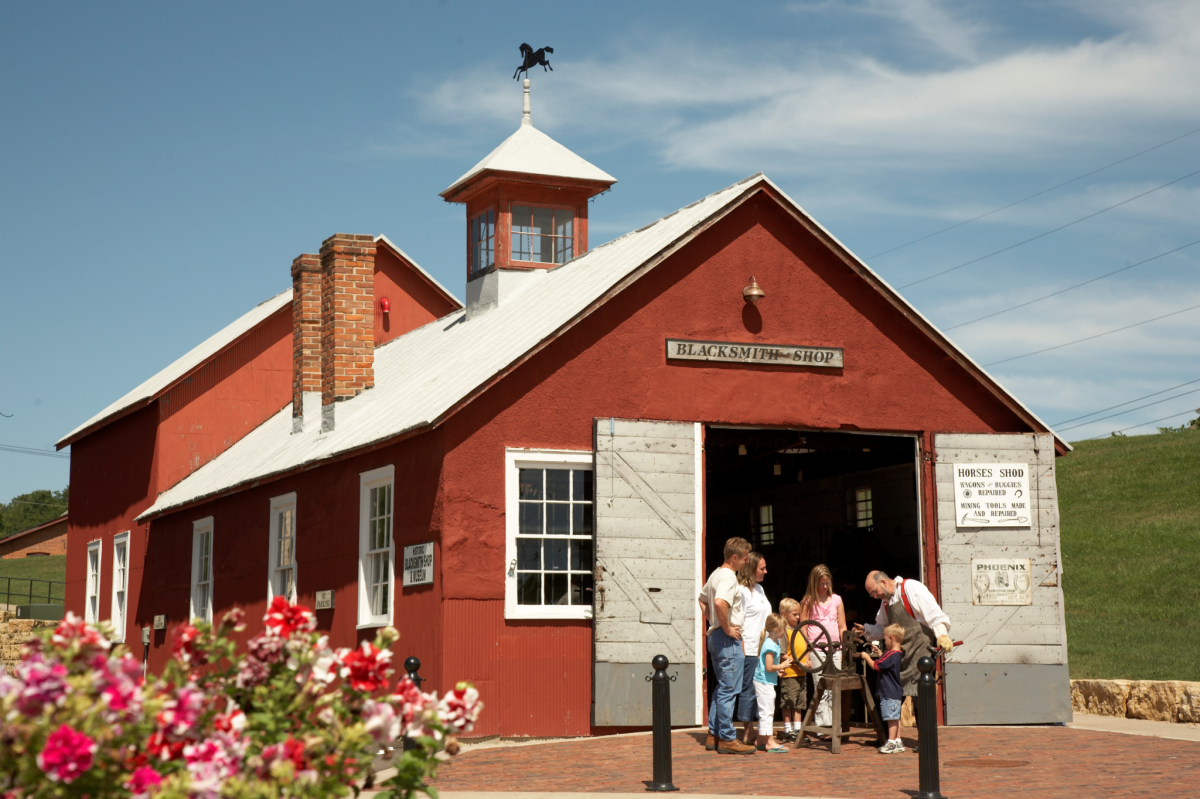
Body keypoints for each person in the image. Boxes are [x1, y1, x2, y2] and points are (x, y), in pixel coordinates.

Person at [853, 570, 953, 701]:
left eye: (874, 592)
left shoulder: (911, 588)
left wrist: (942, 636)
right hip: (903, 657)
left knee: (920, 697)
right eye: (871, 594)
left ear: (883, 582)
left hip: (921, 654)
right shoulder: (886, 602)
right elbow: (884, 629)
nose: (874, 596)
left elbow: (935, 616)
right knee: (900, 699)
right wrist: (866, 630)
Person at [698, 537, 755, 754]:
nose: (746, 562)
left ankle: (714, 734)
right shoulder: (729, 577)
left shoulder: (715, 574)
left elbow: (702, 599)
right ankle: (727, 738)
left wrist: (714, 621)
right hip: (725, 638)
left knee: (722, 687)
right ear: (734, 557)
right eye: (745, 558)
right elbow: (719, 602)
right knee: (729, 689)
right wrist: (728, 627)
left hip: (715, 636)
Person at [799, 564, 846, 735]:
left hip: (835, 649)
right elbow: (803, 628)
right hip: (816, 648)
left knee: (835, 686)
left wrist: (843, 650)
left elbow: (842, 626)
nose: (825, 587)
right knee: (821, 685)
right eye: (821, 584)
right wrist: (805, 654)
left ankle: (835, 723)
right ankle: (822, 726)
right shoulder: (807, 601)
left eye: (827, 583)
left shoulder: (837, 600)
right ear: (814, 583)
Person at [734, 552, 771, 745]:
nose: (765, 571)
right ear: (751, 569)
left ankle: (758, 729)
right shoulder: (741, 591)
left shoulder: (759, 589)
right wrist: (741, 649)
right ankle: (747, 730)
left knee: (762, 690)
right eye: (762, 568)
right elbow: (738, 621)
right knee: (748, 689)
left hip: (763, 648)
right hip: (748, 648)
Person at [861, 623, 906, 754]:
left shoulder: (891, 654)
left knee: (891, 718)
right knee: (896, 717)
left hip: (889, 691)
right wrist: (880, 653)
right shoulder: (897, 654)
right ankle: (898, 741)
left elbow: (876, 666)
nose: (884, 642)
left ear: (891, 638)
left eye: (885, 639)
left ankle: (890, 742)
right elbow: (886, 662)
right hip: (895, 691)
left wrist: (866, 657)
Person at [751, 613, 793, 752]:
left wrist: (778, 671)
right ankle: (769, 742)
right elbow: (769, 667)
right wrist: (782, 666)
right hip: (764, 683)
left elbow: (768, 667)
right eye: (783, 628)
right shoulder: (770, 644)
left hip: (766, 681)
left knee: (765, 711)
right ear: (776, 629)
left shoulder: (773, 643)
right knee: (767, 712)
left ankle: (760, 739)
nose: (785, 631)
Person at [777, 598, 805, 742]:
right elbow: (782, 654)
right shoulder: (784, 632)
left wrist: (808, 661)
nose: (798, 617)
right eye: (794, 614)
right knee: (789, 702)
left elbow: (805, 650)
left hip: (802, 672)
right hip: (790, 673)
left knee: (800, 703)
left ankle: (798, 728)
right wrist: (794, 662)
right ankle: (788, 729)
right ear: (784, 614)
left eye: (798, 614)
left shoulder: (799, 630)